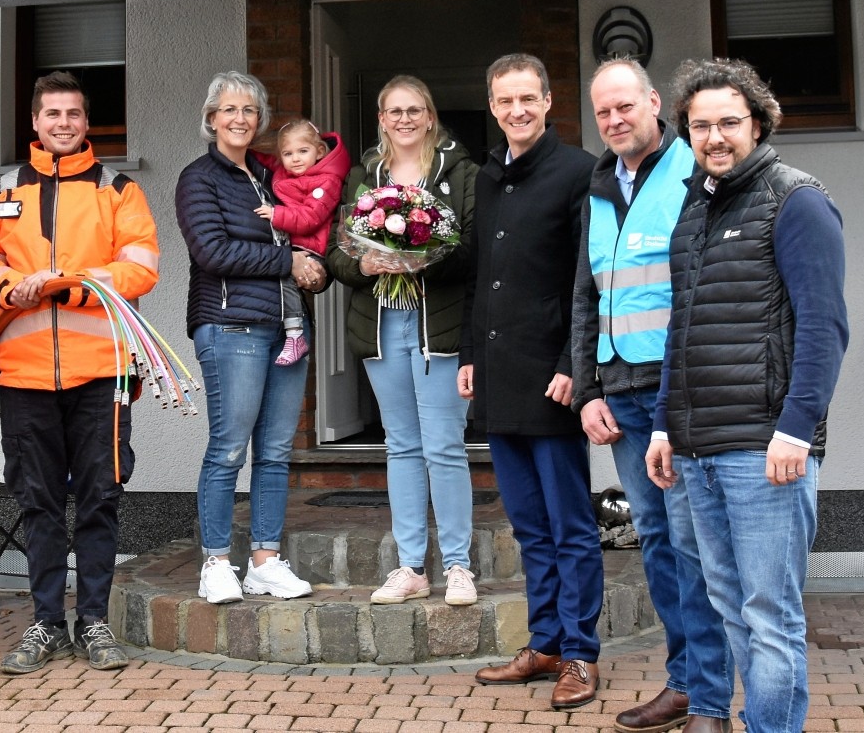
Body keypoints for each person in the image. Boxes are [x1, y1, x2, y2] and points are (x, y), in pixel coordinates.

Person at [647, 58, 848, 733]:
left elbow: (825, 326)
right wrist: (661, 426)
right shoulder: (695, 208)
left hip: (766, 451)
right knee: (732, 609)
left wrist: (797, 429)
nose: (714, 137)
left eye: (729, 122)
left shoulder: (797, 199)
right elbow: (683, 329)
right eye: (700, 125)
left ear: (758, 122)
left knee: (772, 617)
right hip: (697, 451)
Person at [0, 71, 159, 674]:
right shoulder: (1, 190)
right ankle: (47, 623)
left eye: (73, 114)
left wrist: (67, 287)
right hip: (24, 375)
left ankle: (94, 621)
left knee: (101, 495)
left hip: (103, 371)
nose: (63, 123)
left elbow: (140, 269)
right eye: (52, 114)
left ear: (86, 122)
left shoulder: (117, 189)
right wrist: (5, 286)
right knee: (38, 500)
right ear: (34, 122)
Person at [571, 58, 734, 732]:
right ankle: (685, 683)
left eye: (624, 108)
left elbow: (701, 292)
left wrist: (673, 399)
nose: (613, 121)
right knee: (661, 545)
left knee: (697, 547)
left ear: (654, 104)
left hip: (681, 397)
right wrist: (587, 389)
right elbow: (587, 292)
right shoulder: (599, 182)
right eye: (603, 111)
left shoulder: (693, 172)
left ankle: (711, 693)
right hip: (623, 396)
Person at [461, 54, 603, 710]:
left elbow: (588, 279)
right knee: (528, 526)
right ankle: (544, 643)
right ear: (493, 106)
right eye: (504, 101)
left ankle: (579, 653)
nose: (516, 111)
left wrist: (575, 366)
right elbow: (481, 275)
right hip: (498, 377)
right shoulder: (488, 178)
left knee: (571, 526)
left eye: (527, 99)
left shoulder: (579, 173)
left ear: (547, 102)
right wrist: (468, 354)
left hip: (554, 380)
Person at [326, 75, 480, 608]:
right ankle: (411, 566)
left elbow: (472, 251)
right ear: (381, 119)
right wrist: (367, 261)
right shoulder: (362, 175)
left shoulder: (462, 172)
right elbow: (337, 255)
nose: (405, 119)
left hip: (438, 324)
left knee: (444, 445)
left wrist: (427, 253)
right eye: (395, 111)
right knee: (402, 445)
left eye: (415, 109)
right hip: (382, 326)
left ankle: (458, 564)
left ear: (431, 116)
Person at [176, 70, 327, 606]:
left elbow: (310, 231)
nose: (240, 119)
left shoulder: (270, 176)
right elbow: (213, 253)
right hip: (229, 327)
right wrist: (291, 261)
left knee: (277, 451)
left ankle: (264, 560)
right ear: (211, 118)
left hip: (285, 328)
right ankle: (216, 561)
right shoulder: (199, 179)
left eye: (249, 111)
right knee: (229, 449)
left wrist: (318, 266)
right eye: (229, 110)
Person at [253, 119, 351, 365]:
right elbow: (265, 160)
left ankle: (296, 334)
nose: (295, 158)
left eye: (302, 151)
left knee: (284, 274)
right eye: (288, 153)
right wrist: (244, 149)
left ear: (319, 152)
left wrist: (277, 215)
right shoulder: (287, 171)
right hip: (293, 244)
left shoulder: (327, 181)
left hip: (311, 247)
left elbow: (310, 218)